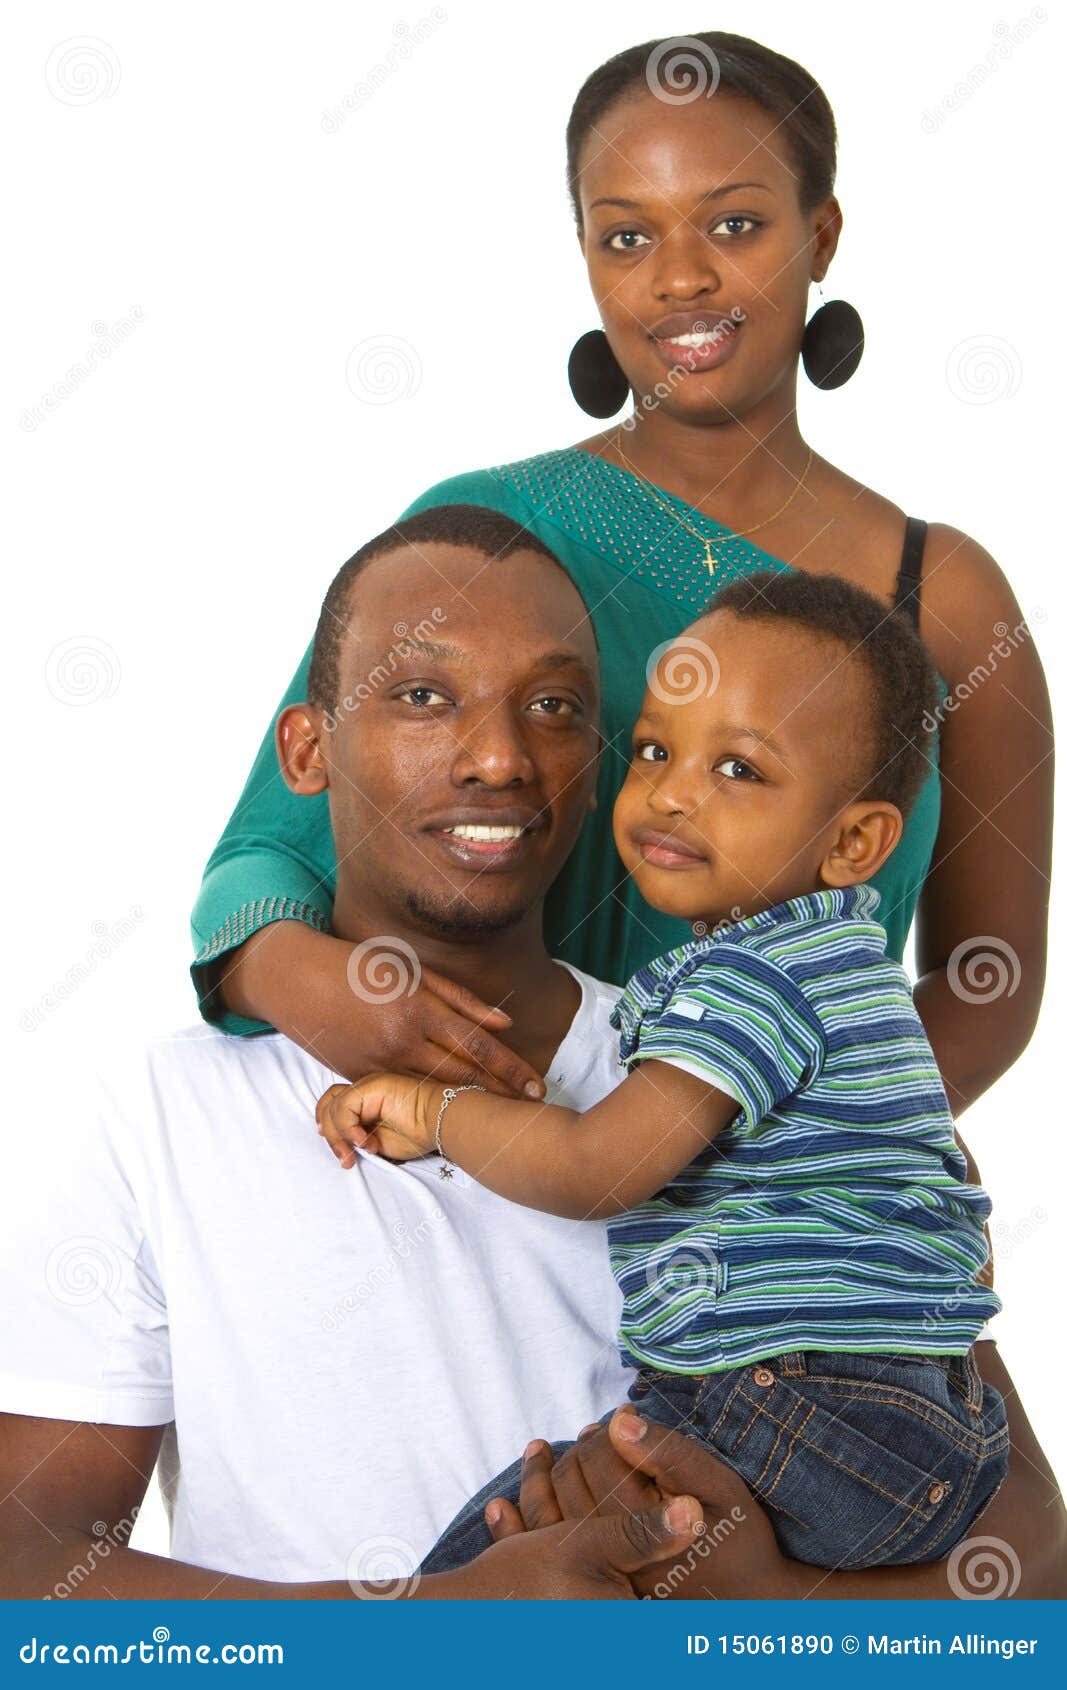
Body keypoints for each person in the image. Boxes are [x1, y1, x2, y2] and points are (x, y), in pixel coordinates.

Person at [3, 512, 1061, 1598]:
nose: (500, 758)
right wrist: (443, 1622)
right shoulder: (153, 1113)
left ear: (591, 764)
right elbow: (24, 1577)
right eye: (424, 694)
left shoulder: (754, 1077)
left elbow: (1033, 1565)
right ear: (309, 751)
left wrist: (772, 1611)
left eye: (553, 708)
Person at [190, 32, 1050, 1159]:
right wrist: (315, 983)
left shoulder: (941, 595)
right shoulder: (486, 529)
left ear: (820, 236)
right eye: (627, 236)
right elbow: (262, 861)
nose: (679, 278)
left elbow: (989, 982)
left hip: (781, 1238)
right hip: (474, 1166)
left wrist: (777, 1157)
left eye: (733, 225)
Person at [315, 570, 1008, 1573]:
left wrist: (432, 1108)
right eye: (652, 750)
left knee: (487, 1560)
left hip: (808, 1403)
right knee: (586, 1543)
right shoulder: (846, 970)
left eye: (738, 769)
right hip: (942, 1430)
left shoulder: (759, 973)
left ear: (855, 840)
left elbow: (596, 1168)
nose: (672, 792)